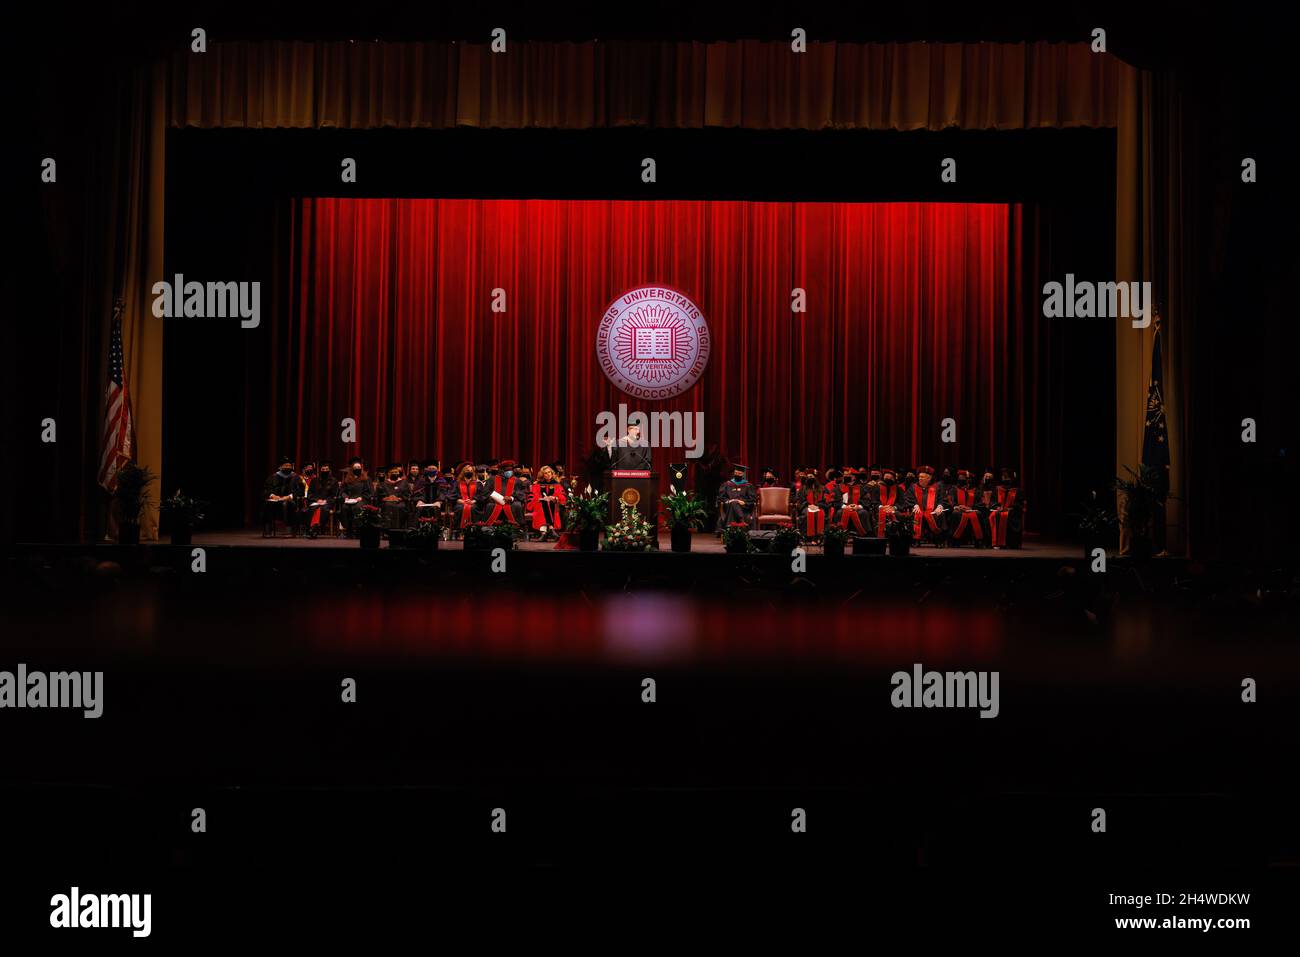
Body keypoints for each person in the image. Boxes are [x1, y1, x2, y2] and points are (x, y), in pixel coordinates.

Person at [262, 455, 302, 537]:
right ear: (280, 466)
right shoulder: (273, 477)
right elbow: (266, 490)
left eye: (289, 465)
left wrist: (289, 497)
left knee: (288, 504)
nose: (287, 467)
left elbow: (300, 491)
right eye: (285, 465)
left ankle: (289, 530)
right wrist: (272, 495)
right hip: (275, 500)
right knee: (267, 504)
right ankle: (267, 530)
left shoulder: (296, 477)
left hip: (290, 501)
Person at [478, 458, 526, 526]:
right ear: (502, 470)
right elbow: (485, 493)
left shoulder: (517, 481)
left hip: (511, 503)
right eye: (506, 470)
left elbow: (521, 494)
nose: (509, 472)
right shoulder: (492, 480)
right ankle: (488, 528)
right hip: (494, 502)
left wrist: (511, 498)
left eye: (510, 470)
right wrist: (493, 498)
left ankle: (518, 528)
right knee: (490, 505)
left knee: (517, 505)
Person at [910, 465, 949, 545]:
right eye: (919, 477)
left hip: (933, 511)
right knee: (914, 514)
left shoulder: (938, 487)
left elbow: (942, 499)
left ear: (929, 478)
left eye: (923, 477)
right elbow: (908, 498)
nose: (920, 478)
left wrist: (940, 506)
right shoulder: (913, 487)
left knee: (940, 514)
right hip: (918, 511)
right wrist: (914, 505)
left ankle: (939, 540)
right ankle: (915, 539)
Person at [528, 465, 568, 541]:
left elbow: (562, 496)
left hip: (554, 504)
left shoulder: (557, 484)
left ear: (552, 473)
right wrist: (541, 498)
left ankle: (544, 533)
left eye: (549, 472)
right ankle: (551, 530)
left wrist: (555, 498)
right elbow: (532, 496)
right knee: (543, 504)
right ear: (542, 475)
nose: (548, 474)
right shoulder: (537, 485)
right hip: (539, 504)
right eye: (546, 473)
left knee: (549, 504)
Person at [948, 469, 986, 547]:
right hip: (958, 510)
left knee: (978, 514)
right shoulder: (954, 489)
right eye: (959, 478)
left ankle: (978, 540)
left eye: (962, 478)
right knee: (955, 513)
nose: (960, 480)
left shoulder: (975, 490)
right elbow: (950, 501)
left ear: (968, 480)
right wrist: (957, 506)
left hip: (972, 510)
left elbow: (981, 503)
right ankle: (955, 541)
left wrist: (970, 508)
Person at [305, 459, 340, 537]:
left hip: (327, 503)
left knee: (321, 509)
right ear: (320, 470)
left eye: (326, 469)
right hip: (315, 502)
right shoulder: (315, 480)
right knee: (313, 508)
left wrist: (325, 501)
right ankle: (313, 528)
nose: (325, 471)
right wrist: (317, 500)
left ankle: (314, 528)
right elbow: (310, 494)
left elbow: (335, 495)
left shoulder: (334, 481)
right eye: (323, 469)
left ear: (329, 470)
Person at [990, 467, 1024, 549]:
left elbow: (1020, 504)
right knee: (995, 515)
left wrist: (1010, 508)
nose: (1005, 479)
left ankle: (1009, 543)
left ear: (1011, 478)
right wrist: (998, 507)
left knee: (1007, 516)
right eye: (1003, 477)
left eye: (1007, 477)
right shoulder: (997, 489)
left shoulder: (1017, 491)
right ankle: (996, 542)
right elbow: (993, 501)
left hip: (1012, 512)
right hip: (999, 510)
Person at [716, 463, 756, 528]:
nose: (737, 475)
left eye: (739, 474)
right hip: (729, 505)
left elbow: (753, 499)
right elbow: (720, 498)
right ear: (734, 473)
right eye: (736, 473)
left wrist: (744, 502)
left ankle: (728, 527)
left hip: (743, 506)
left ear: (743, 474)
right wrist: (728, 501)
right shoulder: (727, 484)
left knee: (734, 503)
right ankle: (741, 520)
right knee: (734, 503)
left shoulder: (748, 486)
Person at [445, 461, 482, 534]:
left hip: (473, 503)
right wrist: (459, 500)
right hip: (460, 503)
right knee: (460, 508)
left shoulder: (477, 483)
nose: (470, 472)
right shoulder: (457, 483)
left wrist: (474, 501)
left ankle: (474, 530)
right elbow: (450, 494)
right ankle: (459, 531)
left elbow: (481, 495)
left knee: (473, 508)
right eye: (467, 470)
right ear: (463, 472)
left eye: (471, 471)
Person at [340, 457, 371, 537]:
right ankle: (348, 529)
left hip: (361, 499)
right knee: (344, 507)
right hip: (350, 499)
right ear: (352, 469)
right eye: (355, 468)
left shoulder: (366, 479)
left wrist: (361, 498)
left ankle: (358, 530)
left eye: (358, 467)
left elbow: (369, 492)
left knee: (356, 507)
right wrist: (346, 497)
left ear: (361, 468)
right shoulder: (347, 479)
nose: (357, 469)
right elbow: (343, 491)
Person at [837, 469, 871, 535]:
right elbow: (836, 499)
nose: (846, 477)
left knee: (863, 513)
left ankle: (864, 534)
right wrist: (845, 506)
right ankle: (839, 534)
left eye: (849, 475)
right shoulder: (839, 487)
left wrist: (859, 506)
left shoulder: (861, 487)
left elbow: (866, 500)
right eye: (845, 475)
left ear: (854, 477)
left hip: (857, 508)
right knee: (839, 512)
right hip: (844, 507)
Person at [874, 467, 904, 537]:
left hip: (894, 510)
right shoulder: (877, 487)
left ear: (894, 479)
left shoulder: (898, 489)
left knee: (898, 515)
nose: (888, 479)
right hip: (880, 509)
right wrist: (881, 507)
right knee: (878, 514)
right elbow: (874, 500)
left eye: (890, 478)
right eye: (886, 477)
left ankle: (895, 535)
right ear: (883, 478)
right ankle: (881, 535)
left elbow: (901, 502)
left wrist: (894, 507)